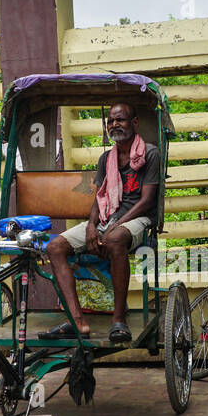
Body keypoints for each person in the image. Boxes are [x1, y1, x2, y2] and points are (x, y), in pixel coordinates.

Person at [39, 102, 160, 342]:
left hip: (137, 218)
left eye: (120, 120)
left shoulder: (149, 154)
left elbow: (146, 201)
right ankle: (77, 321)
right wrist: (93, 226)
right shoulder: (107, 158)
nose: (114, 125)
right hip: (107, 218)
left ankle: (118, 320)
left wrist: (114, 226)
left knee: (115, 240)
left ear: (134, 123)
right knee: (54, 247)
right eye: (111, 122)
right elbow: (99, 198)